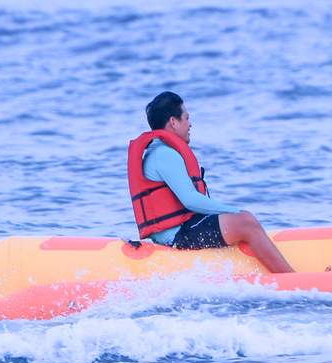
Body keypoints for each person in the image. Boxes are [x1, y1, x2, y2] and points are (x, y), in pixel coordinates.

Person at [126, 91, 294, 273]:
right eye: (186, 118)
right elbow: (190, 200)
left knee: (241, 219)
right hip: (177, 237)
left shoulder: (159, 151)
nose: (190, 124)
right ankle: (289, 278)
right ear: (173, 122)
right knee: (246, 221)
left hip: (182, 228)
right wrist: (235, 212)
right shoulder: (164, 154)